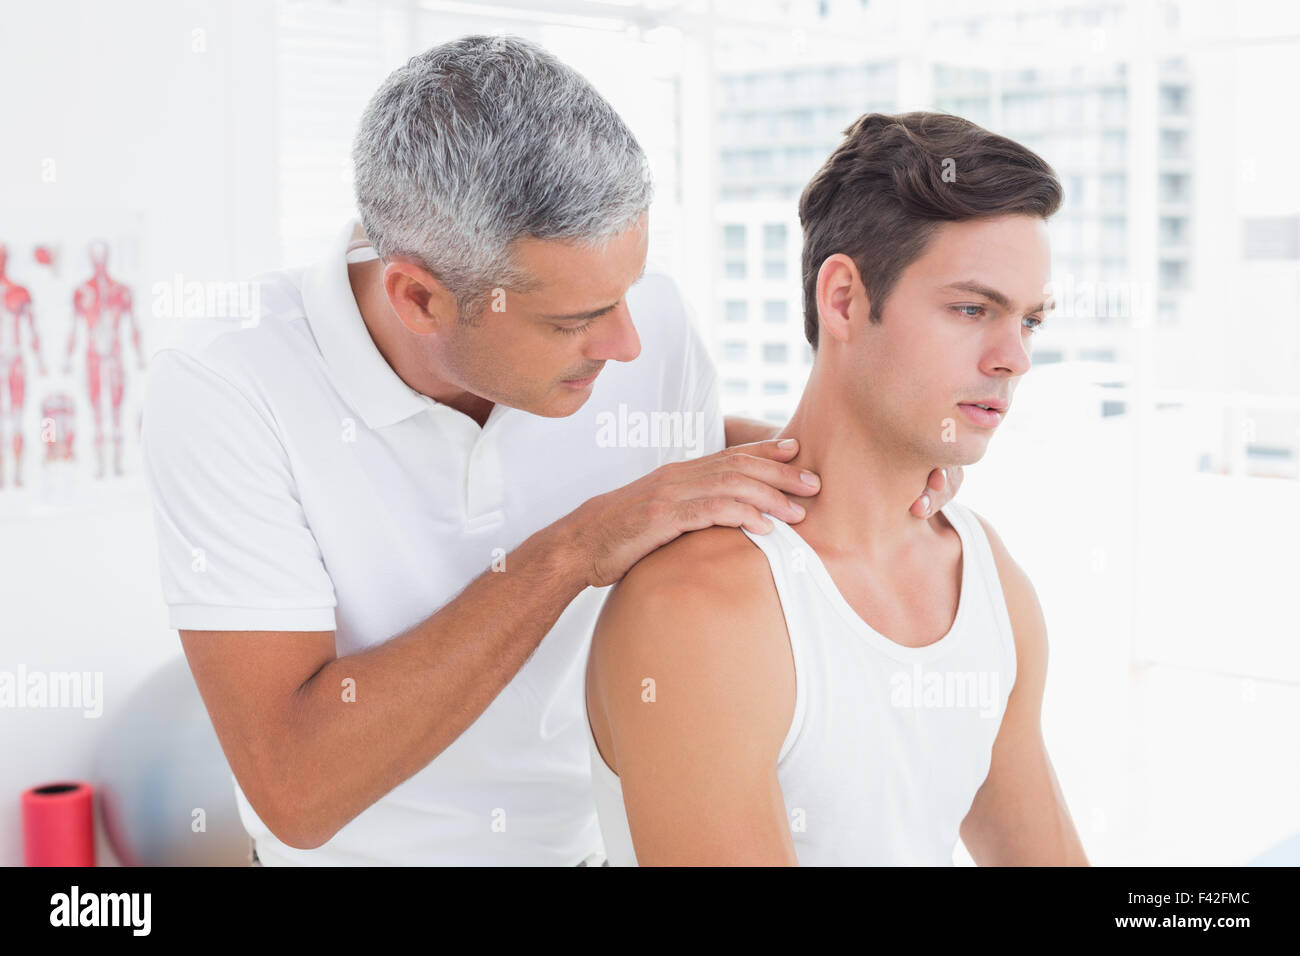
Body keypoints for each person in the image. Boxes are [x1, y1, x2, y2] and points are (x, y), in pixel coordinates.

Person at [139, 38, 958, 866]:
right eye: (573, 322)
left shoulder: (651, 328)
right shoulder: (226, 391)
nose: (629, 343)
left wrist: (884, 457)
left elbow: (689, 469)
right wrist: (575, 550)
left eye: (628, 292)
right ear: (419, 298)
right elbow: (298, 793)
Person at [585, 111, 1088, 866]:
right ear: (845, 300)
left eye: (1030, 322)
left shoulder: (987, 577)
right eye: (972, 309)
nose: (1013, 357)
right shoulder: (700, 609)